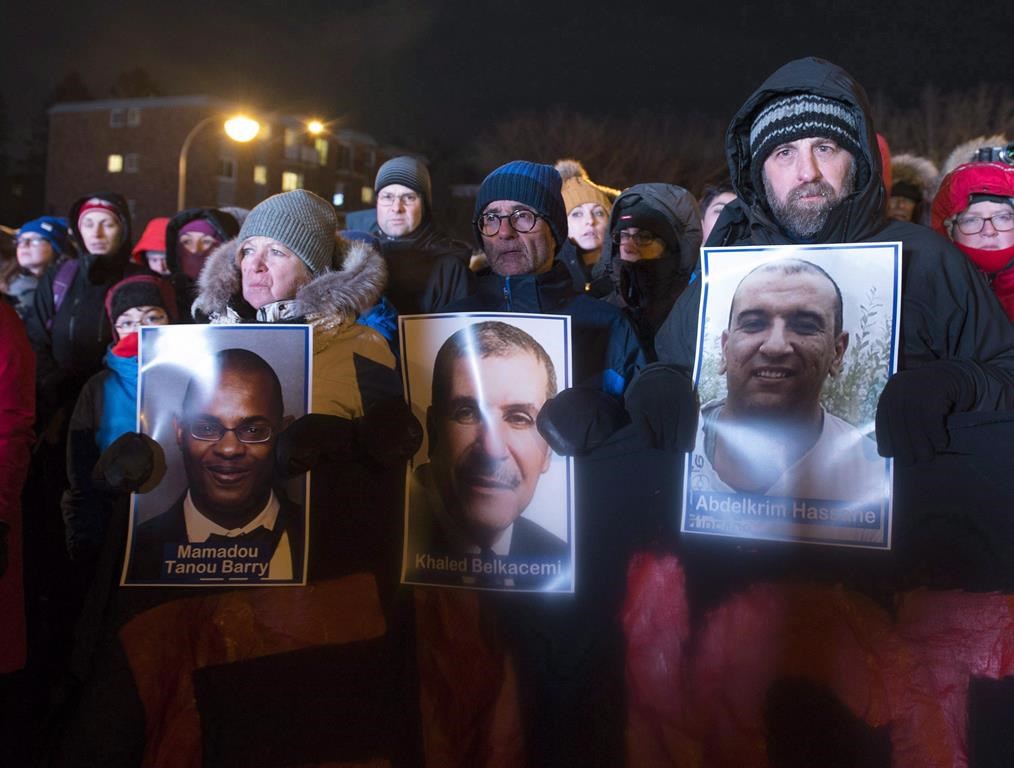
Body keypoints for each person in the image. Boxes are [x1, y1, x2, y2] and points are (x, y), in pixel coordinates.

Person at [639, 57, 1014, 470]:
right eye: (784, 152)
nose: (807, 172)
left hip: (912, 519)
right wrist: (659, 383)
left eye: (825, 147)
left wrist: (956, 382)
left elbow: (1005, 371)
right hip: (741, 525)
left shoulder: (928, 260)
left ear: (857, 158)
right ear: (757, 172)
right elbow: (668, 365)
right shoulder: (728, 271)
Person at [193, 189, 401, 417]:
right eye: (249, 250)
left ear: (314, 273)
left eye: (276, 252)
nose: (255, 265)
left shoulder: (364, 347)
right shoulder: (204, 338)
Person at [694, 259, 883, 503]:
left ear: (837, 353)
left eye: (805, 326)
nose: (775, 346)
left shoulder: (875, 473)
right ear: (725, 349)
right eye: (753, 324)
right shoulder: (673, 446)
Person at [406, 321, 567, 587]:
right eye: (467, 413)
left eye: (518, 418)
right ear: (433, 434)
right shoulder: (382, 543)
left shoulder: (563, 559)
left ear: (548, 449)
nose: (492, 449)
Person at [125, 348, 302, 583]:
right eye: (207, 428)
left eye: (253, 430)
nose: (229, 449)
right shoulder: (135, 548)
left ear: (284, 431)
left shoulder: (320, 537)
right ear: (180, 432)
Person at [62, 275, 177, 564]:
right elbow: (80, 468)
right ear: (114, 330)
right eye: (126, 322)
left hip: (176, 519)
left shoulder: (192, 378)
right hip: (113, 520)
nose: (139, 329)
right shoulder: (98, 387)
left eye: (152, 317)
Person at [594, 183, 701, 360]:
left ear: (669, 246)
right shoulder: (601, 308)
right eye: (623, 235)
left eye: (643, 237)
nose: (628, 244)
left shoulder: (693, 309)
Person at [369, 156, 473, 314]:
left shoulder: (449, 268)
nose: (397, 208)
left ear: (424, 206)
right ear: (377, 203)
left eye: (408, 198)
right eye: (387, 197)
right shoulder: (356, 259)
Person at [932, 161, 1014, 323]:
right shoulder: (930, 294)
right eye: (971, 220)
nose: (989, 231)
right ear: (950, 230)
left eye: (1003, 217)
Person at [164, 207, 240, 320]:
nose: (195, 250)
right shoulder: (164, 291)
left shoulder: (239, 296)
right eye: (187, 242)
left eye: (206, 242)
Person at [555, 159, 615, 294]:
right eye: (577, 214)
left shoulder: (627, 274)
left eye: (599, 212)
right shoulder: (547, 279)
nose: (590, 221)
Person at [1, 216, 72, 320]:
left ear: (55, 248)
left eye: (35, 240)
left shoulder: (66, 288)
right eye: (21, 240)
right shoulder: (4, 282)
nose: (24, 245)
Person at [888, 154, 938, 224]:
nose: (901, 205)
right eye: (894, 198)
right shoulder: (869, 233)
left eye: (908, 200)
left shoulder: (928, 234)